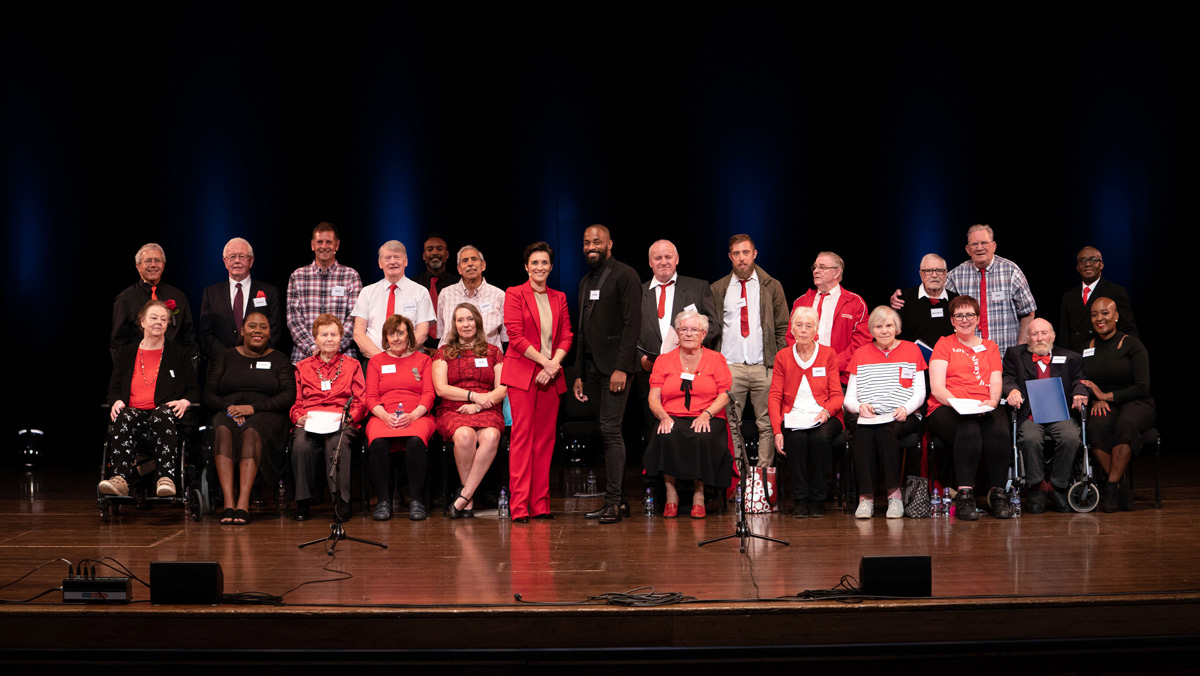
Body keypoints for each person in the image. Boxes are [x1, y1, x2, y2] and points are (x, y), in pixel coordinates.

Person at [572, 224, 642, 524]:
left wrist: (622, 368)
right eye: (587, 242)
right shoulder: (586, 280)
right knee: (606, 431)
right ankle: (619, 501)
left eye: (597, 241)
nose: (591, 246)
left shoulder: (625, 275)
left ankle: (613, 503)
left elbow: (632, 325)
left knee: (611, 431)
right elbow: (583, 331)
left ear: (609, 244)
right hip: (593, 369)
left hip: (615, 369)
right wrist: (577, 372)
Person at [100, 300, 200, 500]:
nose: (159, 322)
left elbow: (194, 390)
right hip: (134, 414)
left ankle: (166, 479)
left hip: (164, 415)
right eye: (153, 318)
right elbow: (113, 390)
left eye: (164, 319)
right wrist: (117, 401)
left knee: (162, 413)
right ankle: (120, 480)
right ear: (142, 322)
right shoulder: (126, 353)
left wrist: (184, 402)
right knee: (124, 414)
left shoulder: (179, 354)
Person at [502, 242, 573, 523]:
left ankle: (540, 504)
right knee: (522, 439)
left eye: (545, 263)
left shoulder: (559, 297)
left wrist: (553, 365)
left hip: (550, 376)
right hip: (523, 375)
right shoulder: (515, 293)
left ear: (551, 267)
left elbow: (567, 335)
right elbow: (515, 336)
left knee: (545, 441)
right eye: (535, 263)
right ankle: (519, 507)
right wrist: (546, 363)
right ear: (526, 267)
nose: (540, 267)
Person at [203, 312, 295, 525]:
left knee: (251, 432)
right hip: (229, 410)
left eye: (263, 327)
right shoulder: (225, 356)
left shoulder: (279, 358)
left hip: (267, 414)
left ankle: (243, 504)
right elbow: (208, 394)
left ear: (269, 332)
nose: (258, 331)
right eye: (252, 326)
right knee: (222, 429)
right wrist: (232, 408)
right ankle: (228, 502)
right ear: (242, 330)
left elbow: (288, 395)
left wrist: (253, 408)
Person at [926, 295, 1012, 521]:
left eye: (969, 315)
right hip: (948, 406)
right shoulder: (944, 344)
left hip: (984, 404)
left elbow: (995, 383)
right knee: (969, 429)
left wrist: (993, 402)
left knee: (1000, 430)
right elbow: (937, 387)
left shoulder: (991, 347)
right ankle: (965, 495)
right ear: (952, 321)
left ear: (978, 319)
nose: (965, 320)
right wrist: (960, 404)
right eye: (959, 316)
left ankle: (999, 493)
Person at [890, 224, 1036, 355]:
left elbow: (1028, 312)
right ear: (967, 249)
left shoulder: (1012, 272)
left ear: (993, 246)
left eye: (984, 243)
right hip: (969, 357)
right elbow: (933, 288)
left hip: (1006, 353)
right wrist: (900, 297)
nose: (979, 248)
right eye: (974, 244)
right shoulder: (955, 275)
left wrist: (1019, 350)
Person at [643, 311, 732, 519]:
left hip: (707, 416)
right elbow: (653, 397)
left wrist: (707, 414)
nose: (689, 334)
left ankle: (699, 496)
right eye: (683, 329)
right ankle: (671, 495)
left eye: (694, 330)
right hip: (672, 416)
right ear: (677, 334)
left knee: (701, 436)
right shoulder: (663, 361)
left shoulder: (716, 359)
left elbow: (725, 395)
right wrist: (663, 416)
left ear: (703, 334)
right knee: (666, 435)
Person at [711, 234, 789, 468]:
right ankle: (739, 478)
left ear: (755, 254)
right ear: (730, 257)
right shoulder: (718, 289)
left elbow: (783, 327)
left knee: (767, 424)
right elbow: (712, 328)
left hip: (763, 366)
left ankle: (763, 481)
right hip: (730, 366)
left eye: (746, 253)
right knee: (731, 424)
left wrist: (776, 362)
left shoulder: (771, 286)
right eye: (736, 254)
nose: (742, 259)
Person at [844, 307, 927, 520]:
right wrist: (859, 407)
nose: (884, 330)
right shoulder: (861, 353)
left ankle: (894, 496)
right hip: (868, 415)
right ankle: (866, 499)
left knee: (885, 432)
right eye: (879, 326)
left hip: (902, 414)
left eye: (889, 325)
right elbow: (849, 398)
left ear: (897, 328)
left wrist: (905, 409)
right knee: (862, 433)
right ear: (872, 330)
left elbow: (920, 392)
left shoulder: (912, 350)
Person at [637, 239, 720, 441]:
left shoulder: (698, 287)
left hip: (689, 369)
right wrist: (640, 359)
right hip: (649, 370)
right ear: (650, 262)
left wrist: (691, 344)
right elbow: (627, 331)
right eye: (658, 258)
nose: (663, 261)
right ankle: (655, 471)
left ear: (677, 259)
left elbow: (713, 325)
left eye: (668, 257)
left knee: (687, 426)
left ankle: (689, 470)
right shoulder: (637, 291)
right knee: (653, 428)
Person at [1002, 318, 1088, 513]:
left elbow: (1079, 380)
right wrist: (1012, 390)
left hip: (1060, 414)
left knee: (1071, 437)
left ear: (1053, 335)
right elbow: (1007, 378)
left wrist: (1080, 391)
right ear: (1027, 338)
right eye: (1034, 334)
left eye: (1044, 333)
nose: (1040, 338)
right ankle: (1037, 486)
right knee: (1030, 438)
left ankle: (1057, 485)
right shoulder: (1015, 355)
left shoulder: (1071, 357)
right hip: (1029, 414)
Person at [289, 313, 367, 521]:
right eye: (324, 335)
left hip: (341, 420)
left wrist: (349, 417)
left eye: (334, 334)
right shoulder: (302, 367)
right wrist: (299, 417)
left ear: (341, 338)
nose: (329, 339)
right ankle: (303, 501)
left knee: (336, 443)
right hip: (311, 419)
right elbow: (296, 403)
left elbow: (360, 401)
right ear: (315, 339)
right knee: (301, 444)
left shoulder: (352, 365)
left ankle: (341, 501)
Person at [1079, 297, 1154, 513]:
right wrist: (1094, 398)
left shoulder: (1132, 344)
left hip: (1136, 401)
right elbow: (1081, 381)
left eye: (1105, 313)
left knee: (1126, 423)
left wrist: (1105, 395)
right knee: (1095, 428)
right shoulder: (1087, 347)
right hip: (1102, 403)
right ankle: (1120, 485)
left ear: (1116, 316)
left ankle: (1110, 487)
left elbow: (1142, 387)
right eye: (1094, 314)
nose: (1099, 318)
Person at [433, 303, 507, 519]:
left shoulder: (493, 352)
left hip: (487, 406)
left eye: (470, 319)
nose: (466, 324)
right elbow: (441, 388)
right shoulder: (443, 353)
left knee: (492, 435)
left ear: (477, 322)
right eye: (460, 320)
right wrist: (472, 396)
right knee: (465, 435)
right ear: (454, 325)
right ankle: (469, 497)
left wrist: (479, 404)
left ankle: (464, 495)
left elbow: (503, 387)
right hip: (454, 408)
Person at [768, 306, 844, 518]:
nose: (803, 330)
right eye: (799, 325)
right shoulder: (783, 356)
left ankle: (818, 499)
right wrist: (777, 431)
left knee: (820, 440)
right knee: (796, 441)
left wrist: (827, 412)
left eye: (808, 326)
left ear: (816, 330)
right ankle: (800, 499)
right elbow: (775, 396)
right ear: (792, 329)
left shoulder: (828, 354)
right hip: (794, 416)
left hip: (825, 415)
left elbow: (838, 395)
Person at [364, 314, 436, 521]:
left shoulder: (423, 360)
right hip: (383, 414)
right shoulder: (376, 361)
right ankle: (384, 500)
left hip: (418, 414)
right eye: (391, 333)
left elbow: (429, 394)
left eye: (400, 333)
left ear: (409, 335)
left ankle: (416, 500)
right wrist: (385, 416)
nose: (395, 338)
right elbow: (371, 397)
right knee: (377, 441)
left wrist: (413, 415)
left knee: (415, 440)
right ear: (386, 337)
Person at [789, 251, 870, 386]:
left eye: (822, 267)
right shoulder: (801, 302)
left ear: (837, 273)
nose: (816, 271)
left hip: (840, 379)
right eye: (814, 267)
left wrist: (832, 365)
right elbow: (791, 337)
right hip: (805, 377)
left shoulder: (855, 303)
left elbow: (861, 342)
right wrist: (807, 363)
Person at [286, 222, 362, 363]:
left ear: (337, 245)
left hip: (342, 359)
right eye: (320, 242)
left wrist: (331, 348)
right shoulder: (297, 276)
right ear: (313, 245)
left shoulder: (351, 276)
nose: (324, 246)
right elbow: (293, 319)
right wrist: (314, 348)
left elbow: (354, 319)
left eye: (329, 242)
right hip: (304, 358)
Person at [199, 237, 283, 363]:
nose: (237, 261)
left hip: (258, 363)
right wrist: (227, 356)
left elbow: (274, 331)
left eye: (242, 256)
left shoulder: (270, 292)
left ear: (251, 261)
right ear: (225, 262)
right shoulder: (211, 293)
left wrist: (255, 355)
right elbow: (205, 334)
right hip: (221, 364)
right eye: (232, 256)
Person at [111, 243, 197, 363]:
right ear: (138, 266)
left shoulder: (178, 296)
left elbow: (189, 335)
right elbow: (118, 342)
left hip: (174, 364)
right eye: (148, 261)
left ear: (163, 265)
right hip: (140, 365)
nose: (153, 265)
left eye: (157, 260)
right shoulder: (125, 299)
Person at [352, 240, 435, 360]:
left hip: (409, 359)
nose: (392, 262)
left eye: (397, 257)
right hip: (374, 360)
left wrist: (401, 355)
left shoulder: (420, 292)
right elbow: (358, 333)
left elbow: (422, 333)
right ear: (380, 263)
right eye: (387, 258)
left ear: (405, 261)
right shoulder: (367, 292)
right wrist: (381, 359)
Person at [1059, 246, 1138, 353]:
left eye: (1093, 260)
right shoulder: (1068, 296)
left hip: (1106, 356)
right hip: (1076, 359)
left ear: (1101, 265)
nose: (1087, 264)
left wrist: (1129, 355)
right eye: (1082, 260)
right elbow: (1064, 335)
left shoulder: (1116, 292)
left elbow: (1128, 329)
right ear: (1077, 267)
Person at [436, 245, 507, 350]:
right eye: (465, 260)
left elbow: (504, 337)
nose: (470, 264)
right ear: (459, 269)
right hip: (452, 358)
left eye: (474, 259)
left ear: (483, 265)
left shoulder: (499, 295)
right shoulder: (446, 294)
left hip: (488, 359)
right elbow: (441, 334)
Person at [896, 253, 958, 352]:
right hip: (913, 362)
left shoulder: (956, 300)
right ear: (921, 274)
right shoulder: (903, 300)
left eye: (939, 271)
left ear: (946, 274)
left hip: (949, 362)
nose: (934, 275)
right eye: (929, 271)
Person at [412, 234, 460, 350]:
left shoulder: (458, 284)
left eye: (439, 249)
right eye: (430, 249)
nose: (434, 252)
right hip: (418, 349)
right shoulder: (413, 285)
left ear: (447, 254)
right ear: (424, 255)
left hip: (452, 348)